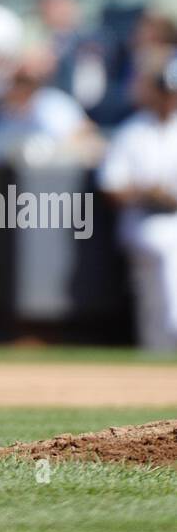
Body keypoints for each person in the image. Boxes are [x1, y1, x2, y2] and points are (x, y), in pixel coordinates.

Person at [98, 59, 177, 352]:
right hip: (144, 221)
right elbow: (111, 187)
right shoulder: (132, 131)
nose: (170, 99)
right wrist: (148, 193)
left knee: (166, 299)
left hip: (173, 220)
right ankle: (155, 361)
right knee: (154, 302)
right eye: (166, 91)